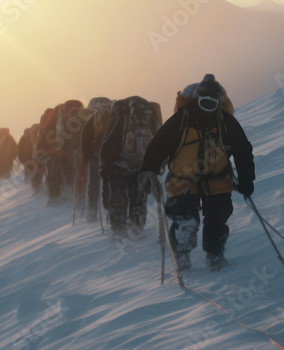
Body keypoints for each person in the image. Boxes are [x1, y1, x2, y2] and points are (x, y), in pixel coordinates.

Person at [138, 74, 254, 271]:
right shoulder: (181, 120)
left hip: (218, 180)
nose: (207, 108)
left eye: (212, 103)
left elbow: (243, 151)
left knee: (217, 220)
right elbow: (157, 146)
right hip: (182, 181)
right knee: (186, 223)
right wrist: (148, 170)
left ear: (219, 103)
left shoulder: (226, 123)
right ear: (198, 100)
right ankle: (181, 255)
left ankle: (215, 254)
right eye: (204, 102)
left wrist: (246, 179)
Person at [101, 96, 162, 239]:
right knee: (139, 199)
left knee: (118, 199)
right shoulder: (151, 118)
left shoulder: (120, 118)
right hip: (141, 167)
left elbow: (107, 145)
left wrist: (104, 167)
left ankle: (119, 230)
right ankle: (138, 228)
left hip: (118, 167)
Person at [80, 97, 115, 222]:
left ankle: (92, 214)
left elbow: (86, 137)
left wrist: (87, 155)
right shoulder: (116, 115)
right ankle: (113, 213)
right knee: (112, 184)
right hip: (116, 156)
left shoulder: (95, 118)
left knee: (94, 184)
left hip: (97, 156)